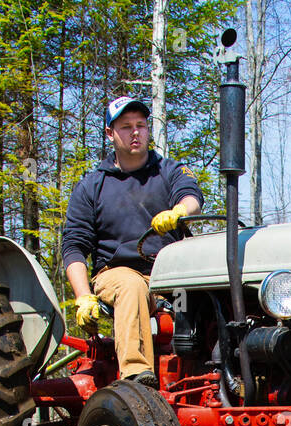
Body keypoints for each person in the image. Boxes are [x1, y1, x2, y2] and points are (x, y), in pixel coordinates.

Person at [60, 96, 204, 386]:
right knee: (131, 284)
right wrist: (83, 295)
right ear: (110, 133)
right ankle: (137, 378)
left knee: (213, 290)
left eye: (140, 125)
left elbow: (192, 197)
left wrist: (179, 211)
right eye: (126, 126)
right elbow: (74, 246)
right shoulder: (92, 186)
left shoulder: (169, 171)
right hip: (116, 275)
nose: (135, 132)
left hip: (167, 275)